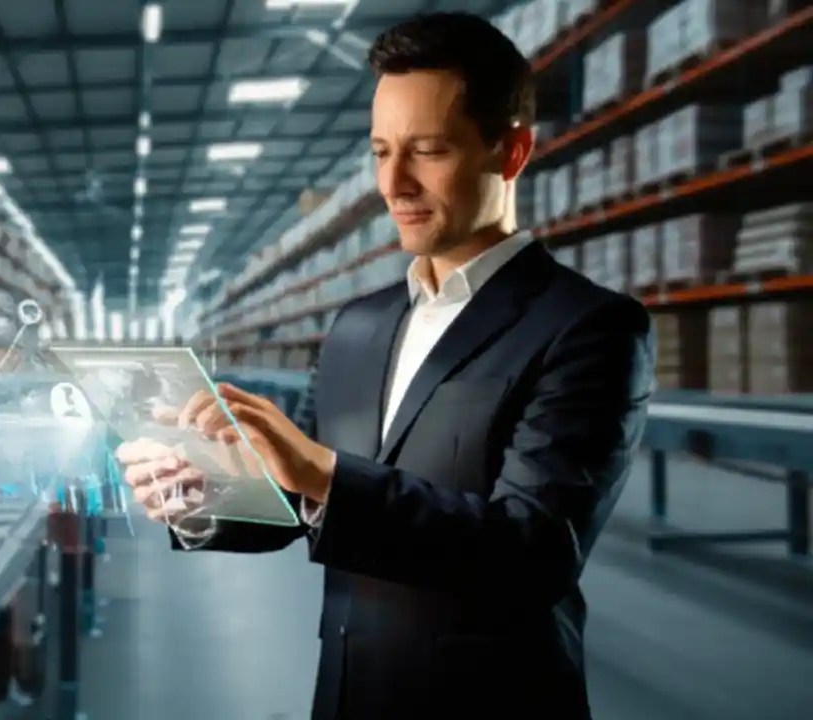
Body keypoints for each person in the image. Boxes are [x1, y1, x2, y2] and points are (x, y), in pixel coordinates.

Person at [114, 11, 654, 720]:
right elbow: (295, 508)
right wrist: (197, 498)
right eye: (379, 151)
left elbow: (533, 552)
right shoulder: (359, 326)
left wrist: (321, 472)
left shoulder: (586, 327)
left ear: (512, 151)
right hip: (349, 691)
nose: (392, 183)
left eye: (426, 151)